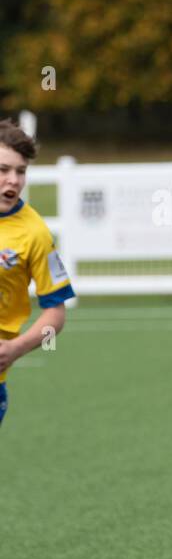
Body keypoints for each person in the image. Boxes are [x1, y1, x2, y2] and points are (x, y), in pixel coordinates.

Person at [0, 119, 75, 427]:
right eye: (3, 169)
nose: (14, 180)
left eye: (21, 171)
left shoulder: (35, 234)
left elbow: (55, 314)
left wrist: (15, 348)